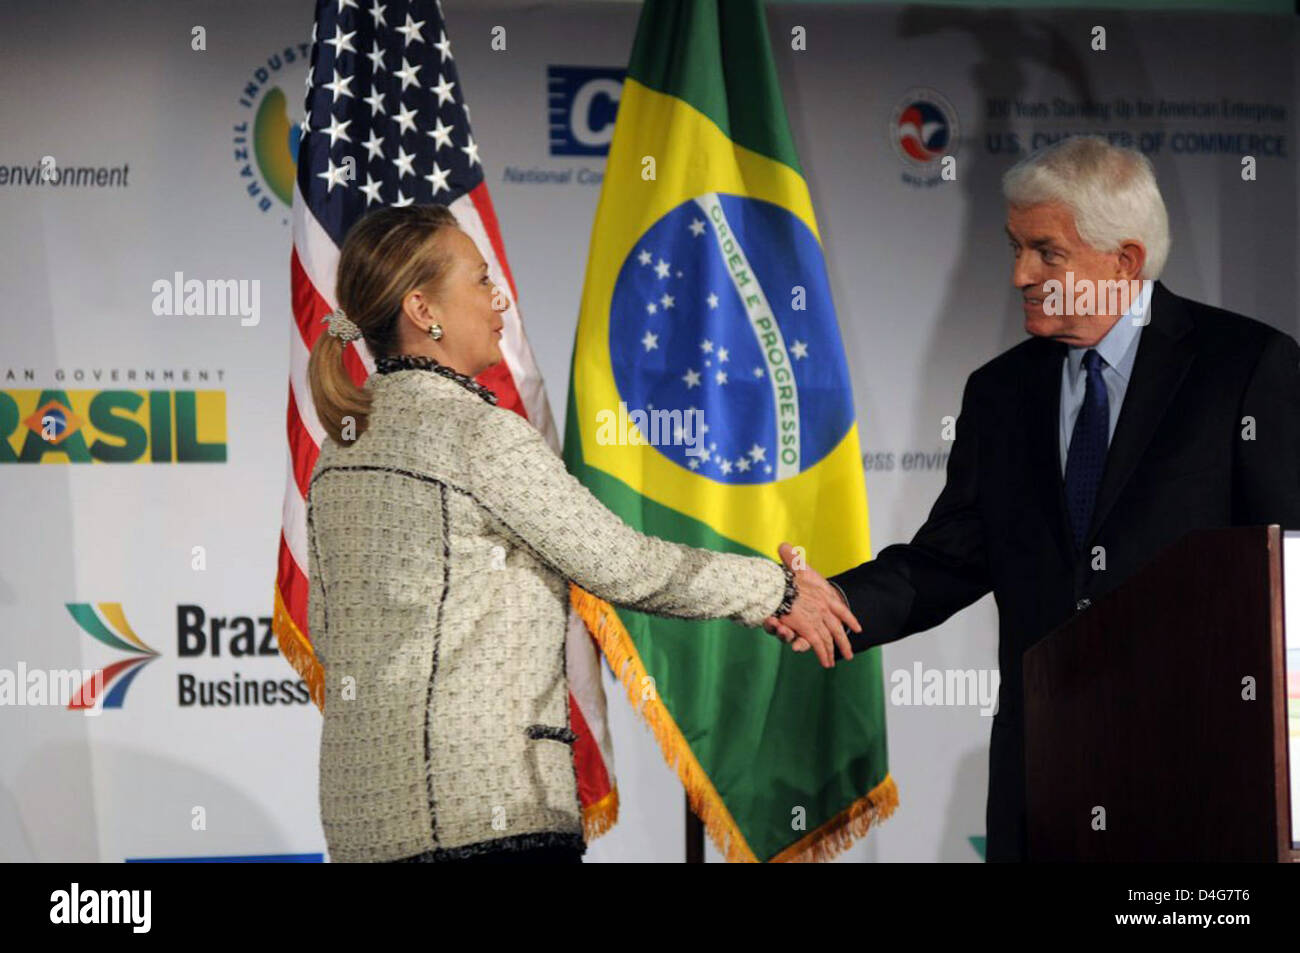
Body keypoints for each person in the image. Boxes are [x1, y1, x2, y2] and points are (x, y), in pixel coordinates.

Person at [775, 136, 1300, 861]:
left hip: (1199, 782)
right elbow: (946, 562)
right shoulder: (1000, 393)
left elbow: (1289, 581)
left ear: (1124, 262)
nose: (1020, 273)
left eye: (1046, 252)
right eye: (1016, 248)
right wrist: (833, 601)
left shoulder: (1244, 368)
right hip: (1044, 779)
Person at [303, 204, 859, 863]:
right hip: (485, 821)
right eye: (481, 281)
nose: (499, 298)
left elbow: (331, 638)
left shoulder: (336, 453)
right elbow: (622, 563)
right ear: (425, 310)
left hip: (364, 824)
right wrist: (776, 589)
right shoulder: (478, 433)